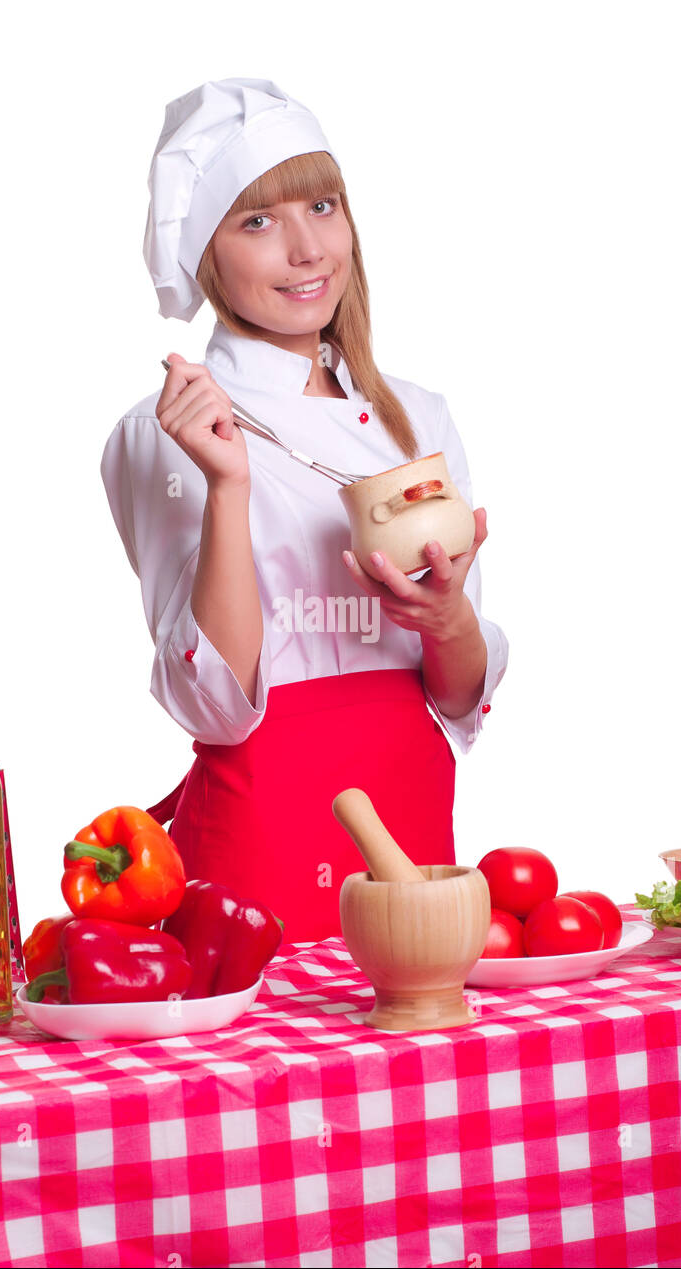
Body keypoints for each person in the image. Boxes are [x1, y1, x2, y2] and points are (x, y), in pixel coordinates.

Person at [101, 77, 509, 944]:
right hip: (262, 850)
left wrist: (447, 617)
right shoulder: (166, 432)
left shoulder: (417, 418)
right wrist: (229, 485)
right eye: (257, 221)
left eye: (323, 206)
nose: (306, 248)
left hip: (414, 828)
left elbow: (461, 691)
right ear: (204, 256)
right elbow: (214, 706)